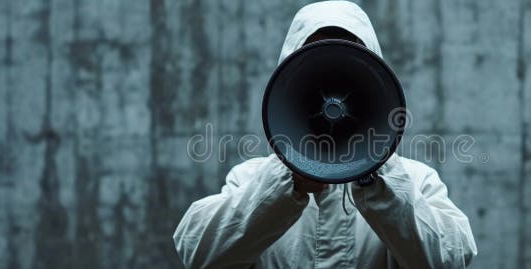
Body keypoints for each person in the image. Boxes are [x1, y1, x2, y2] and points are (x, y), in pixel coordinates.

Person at [173, 1, 477, 268]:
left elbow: (451, 258)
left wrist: (380, 182)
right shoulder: (251, 179)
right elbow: (197, 252)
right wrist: (279, 187)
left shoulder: (416, 181)